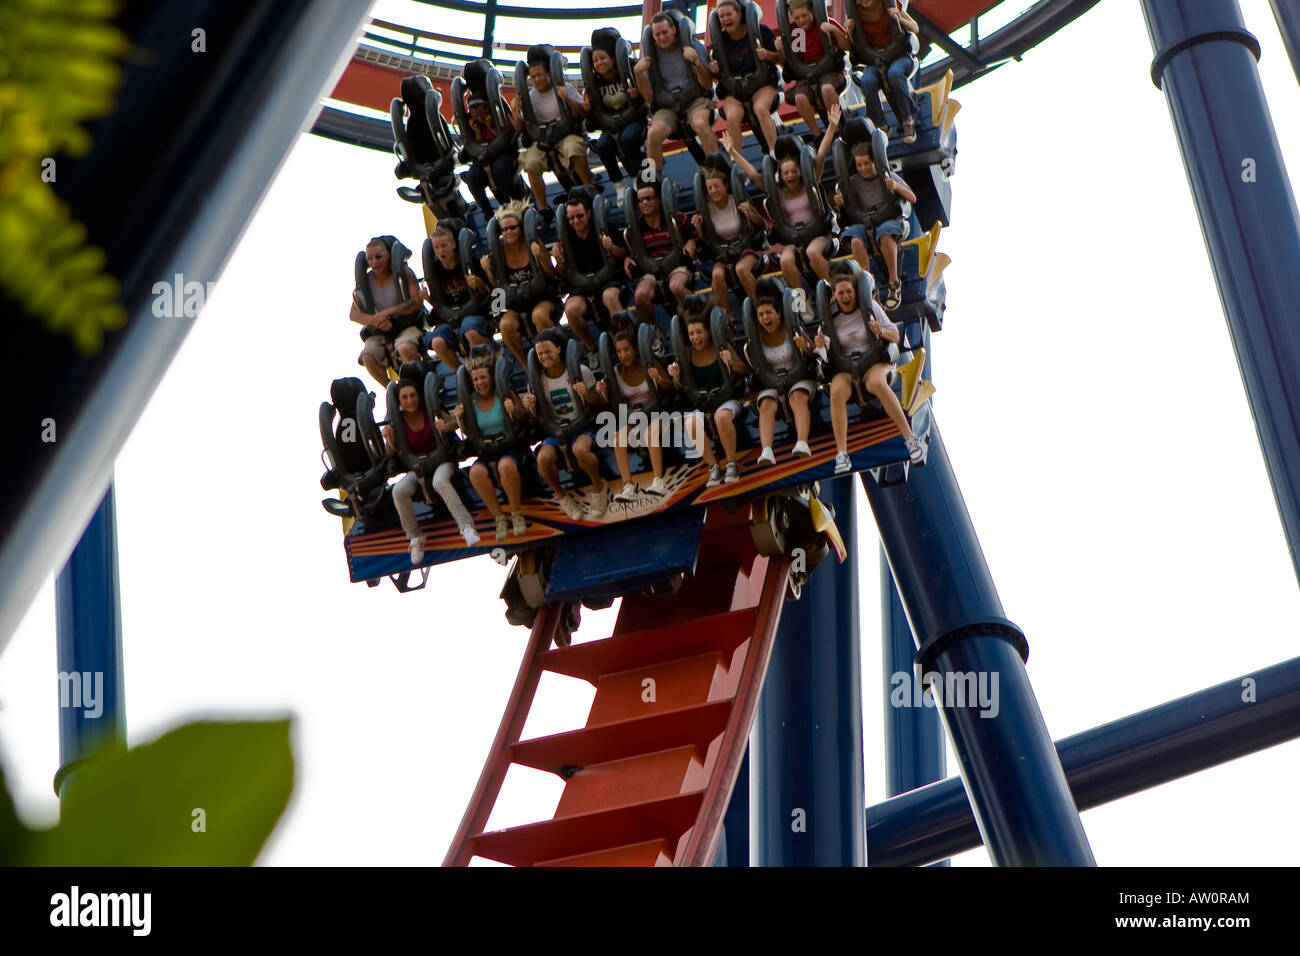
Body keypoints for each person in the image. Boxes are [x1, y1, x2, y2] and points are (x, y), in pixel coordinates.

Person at [817, 262, 924, 469]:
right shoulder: (830, 317)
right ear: (835, 296)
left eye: (849, 292)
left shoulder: (870, 307)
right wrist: (817, 346)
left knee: (876, 383)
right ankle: (841, 454)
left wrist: (879, 331)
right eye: (841, 293)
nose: (846, 297)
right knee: (836, 390)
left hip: (874, 363)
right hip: (846, 369)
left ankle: (909, 438)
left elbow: (894, 334)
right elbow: (823, 352)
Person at [723, 104, 841, 289]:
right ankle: (801, 300)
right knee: (785, 259)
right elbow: (753, 174)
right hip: (792, 237)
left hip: (818, 234)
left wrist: (832, 127)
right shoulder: (777, 192)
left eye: (794, 171)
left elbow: (821, 154)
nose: (790, 176)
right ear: (781, 175)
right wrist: (733, 152)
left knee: (812, 252)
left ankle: (833, 289)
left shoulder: (810, 183)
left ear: (800, 172)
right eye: (786, 173)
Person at [382, 377, 481, 563]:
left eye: (413, 396)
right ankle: (415, 537)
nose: (409, 400)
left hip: (442, 462)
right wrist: (389, 439)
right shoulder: (398, 421)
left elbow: (455, 422)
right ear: (399, 401)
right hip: (417, 468)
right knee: (399, 491)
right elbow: (390, 452)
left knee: (440, 482)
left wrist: (446, 426)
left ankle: (466, 527)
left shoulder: (431, 410)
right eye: (405, 397)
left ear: (419, 397)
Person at [524, 329, 611, 519]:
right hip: (555, 431)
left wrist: (586, 394)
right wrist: (530, 407)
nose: (544, 356)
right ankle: (562, 497)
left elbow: (601, 403)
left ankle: (598, 486)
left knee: (580, 450)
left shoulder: (580, 371)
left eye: (548, 351)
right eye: (540, 354)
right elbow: (535, 418)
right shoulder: (537, 380)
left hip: (582, 426)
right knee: (542, 460)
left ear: (558, 349)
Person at [668, 295, 750, 485]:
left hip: (727, 399)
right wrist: (675, 376)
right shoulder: (686, 354)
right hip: (703, 402)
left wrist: (730, 361)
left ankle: (731, 464)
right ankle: (714, 467)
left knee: (721, 417)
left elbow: (744, 369)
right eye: (691, 334)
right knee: (690, 422)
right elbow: (677, 388)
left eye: (699, 332)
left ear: (708, 331)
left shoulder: (719, 346)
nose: (695, 338)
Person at [455, 349, 532, 540]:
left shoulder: (503, 394)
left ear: (491, 377)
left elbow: (526, 416)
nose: (480, 383)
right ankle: (499, 518)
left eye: (483, 377)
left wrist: (514, 409)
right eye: (476, 380)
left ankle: (516, 514)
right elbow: (455, 427)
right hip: (488, 449)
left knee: (505, 466)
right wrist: (456, 418)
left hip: (510, 445)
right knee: (475, 472)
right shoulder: (471, 402)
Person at [636, 11, 720, 179]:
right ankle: (654, 181)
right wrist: (638, 74)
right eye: (657, 35)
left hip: (695, 100)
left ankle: (718, 170)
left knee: (700, 123)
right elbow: (650, 99)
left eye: (665, 32)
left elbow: (706, 84)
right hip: (667, 107)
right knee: (652, 135)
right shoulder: (650, 58)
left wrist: (696, 61)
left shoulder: (693, 45)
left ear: (674, 30)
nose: (661, 37)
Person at [835, 141, 918, 310]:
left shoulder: (887, 175)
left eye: (866, 163)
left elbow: (912, 198)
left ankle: (894, 283)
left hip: (890, 223)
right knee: (855, 239)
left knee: (885, 233)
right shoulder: (854, 182)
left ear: (874, 161)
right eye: (859, 165)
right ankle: (869, 286)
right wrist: (841, 202)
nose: (863, 168)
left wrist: (895, 187)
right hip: (866, 224)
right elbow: (847, 209)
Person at [512, 47, 594, 213]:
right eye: (533, 77)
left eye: (540, 75)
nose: (536, 80)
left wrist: (568, 99)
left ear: (549, 73)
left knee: (573, 147)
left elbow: (583, 112)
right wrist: (515, 111)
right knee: (530, 161)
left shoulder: (565, 88)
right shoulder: (531, 97)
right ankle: (543, 208)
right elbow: (518, 129)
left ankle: (589, 188)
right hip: (542, 139)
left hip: (566, 135)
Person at [597, 327, 675, 501]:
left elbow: (670, 387)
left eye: (626, 350)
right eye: (619, 351)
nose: (623, 355)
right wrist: (602, 392)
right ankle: (627, 486)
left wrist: (659, 379)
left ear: (635, 349)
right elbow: (608, 403)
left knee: (650, 433)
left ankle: (658, 480)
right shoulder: (616, 372)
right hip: (634, 418)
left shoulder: (648, 362)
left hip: (656, 414)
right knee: (618, 438)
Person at [480, 201, 560, 369]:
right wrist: (488, 271)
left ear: (521, 227)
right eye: (504, 229)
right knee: (505, 325)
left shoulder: (533, 243)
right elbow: (498, 288)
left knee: (539, 316)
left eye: (512, 228)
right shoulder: (499, 252)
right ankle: (528, 367)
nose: (508, 232)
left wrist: (542, 256)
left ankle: (556, 357)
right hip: (515, 302)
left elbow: (552, 275)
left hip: (541, 298)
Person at [612, 182, 698, 331]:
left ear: (658, 199)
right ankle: (654, 333)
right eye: (641, 200)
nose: (644, 203)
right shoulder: (636, 228)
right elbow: (633, 252)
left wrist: (691, 244)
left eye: (649, 198)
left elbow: (693, 236)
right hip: (651, 270)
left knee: (676, 286)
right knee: (640, 295)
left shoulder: (676, 218)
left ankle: (696, 318)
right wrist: (627, 258)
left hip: (677, 266)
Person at [747, 285, 817, 464]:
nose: (765, 318)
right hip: (773, 383)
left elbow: (812, 351)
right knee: (765, 404)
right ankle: (767, 451)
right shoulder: (757, 339)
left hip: (798, 378)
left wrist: (805, 346)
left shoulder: (791, 328)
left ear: (778, 314)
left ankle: (802, 443)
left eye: (768, 313)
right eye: (761, 314)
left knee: (797, 397)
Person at [552, 191, 626, 350]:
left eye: (579, 216)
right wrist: (559, 260)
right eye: (571, 218)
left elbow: (624, 254)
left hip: (608, 280)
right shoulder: (566, 238)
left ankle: (624, 343)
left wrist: (611, 247)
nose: (575, 221)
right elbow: (562, 274)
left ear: (589, 213)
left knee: (610, 296)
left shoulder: (605, 227)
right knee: (570, 309)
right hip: (581, 286)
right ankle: (591, 348)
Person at [709, 0, 782, 155]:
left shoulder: (761, 31)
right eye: (722, 16)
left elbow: (780, 60)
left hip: (762, 85)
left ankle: (775, 153)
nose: (725, 19)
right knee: (732, 116)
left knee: (760, 108)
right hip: (735, 91)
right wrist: (713, 69)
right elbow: (716, 76)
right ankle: (737, 162)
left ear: (740, 14)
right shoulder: (719, 43)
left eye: (729, 14)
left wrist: (768, 54)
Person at [350, 237, 425, 386]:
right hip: (380, 330)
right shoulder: (366, 281)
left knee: (403, 348)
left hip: (407, 325)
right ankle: (391, 389)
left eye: (378, 257)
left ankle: (421, 381)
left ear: (388, 255)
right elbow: (354, 314)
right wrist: (375, 320)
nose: (374, 262)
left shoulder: (404, 273)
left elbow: (416, 302)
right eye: (369, 259)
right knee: (367, 356)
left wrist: (387, 313)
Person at [691, 160, 767, 306]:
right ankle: (727, 316)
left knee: (741, 269)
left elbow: (761, 224)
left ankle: (758, 307)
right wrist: (698, 228)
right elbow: (704, 241)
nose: (713, 191)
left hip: (747, 249)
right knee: (717, 274)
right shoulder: (706, 210)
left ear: (725, 186)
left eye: (716, 186)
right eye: (710, 188)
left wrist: (749, 213)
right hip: (723, 253)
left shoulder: (737, 200)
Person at [584, 27, 646, 199]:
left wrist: (637, 94)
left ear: (613, 57)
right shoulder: (594, 81)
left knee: (628, 138)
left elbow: (646, 98)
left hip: (634, 119)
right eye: (595, 61)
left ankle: (638, 177)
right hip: (611, 124)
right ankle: (618, 184)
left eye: (603, 58)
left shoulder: (629, 69)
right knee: (602, 145)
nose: (599, 64)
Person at [846, 0, 920, 144]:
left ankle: (908, 118)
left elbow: (915, 28)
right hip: (874, 59)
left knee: (894, 74)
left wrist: (898, 17)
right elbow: (852, 45)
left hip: (898, 56)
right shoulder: (856, 12)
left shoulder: (889, 4)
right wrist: (849, 30)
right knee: (867, 81)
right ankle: (880, 125)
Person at [775, 0, 849, 139]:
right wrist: (781, 50)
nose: (801, 20)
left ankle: (839, 129)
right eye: (797, 18)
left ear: (812, 12)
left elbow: (846, 46)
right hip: (808, 74)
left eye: (804, 15)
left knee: (826, 89)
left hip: (829, 72)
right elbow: (795, 60)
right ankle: (818, 135)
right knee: (800, 97)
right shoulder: (797, 32)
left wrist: (834, 30)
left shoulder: (825, 23)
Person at [422, 224, 493, 368]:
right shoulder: (435, 270)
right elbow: (438, 305)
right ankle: (464, 374)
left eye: (444, 246)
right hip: (448, 318)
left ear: (453, 244)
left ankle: (484, 368)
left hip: (474, 312)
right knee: (437, 341)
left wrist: (479, 284)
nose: (441, 251)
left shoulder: (470, 262)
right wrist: (427, 298)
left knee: (470, 331)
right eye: (436, 247)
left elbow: (491, 294)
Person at [459, 93, 526, 214]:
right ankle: (487, 212)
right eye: (476, 116)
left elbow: (507, 137)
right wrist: (477, 132)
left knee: (500, 170)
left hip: (503, 153)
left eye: (482, 115)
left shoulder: (498, 117)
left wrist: (490, 126)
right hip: (484, 156)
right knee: (472, 177)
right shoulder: (474, 124)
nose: (480, 118)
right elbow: (477, 145)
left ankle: (511, 205)